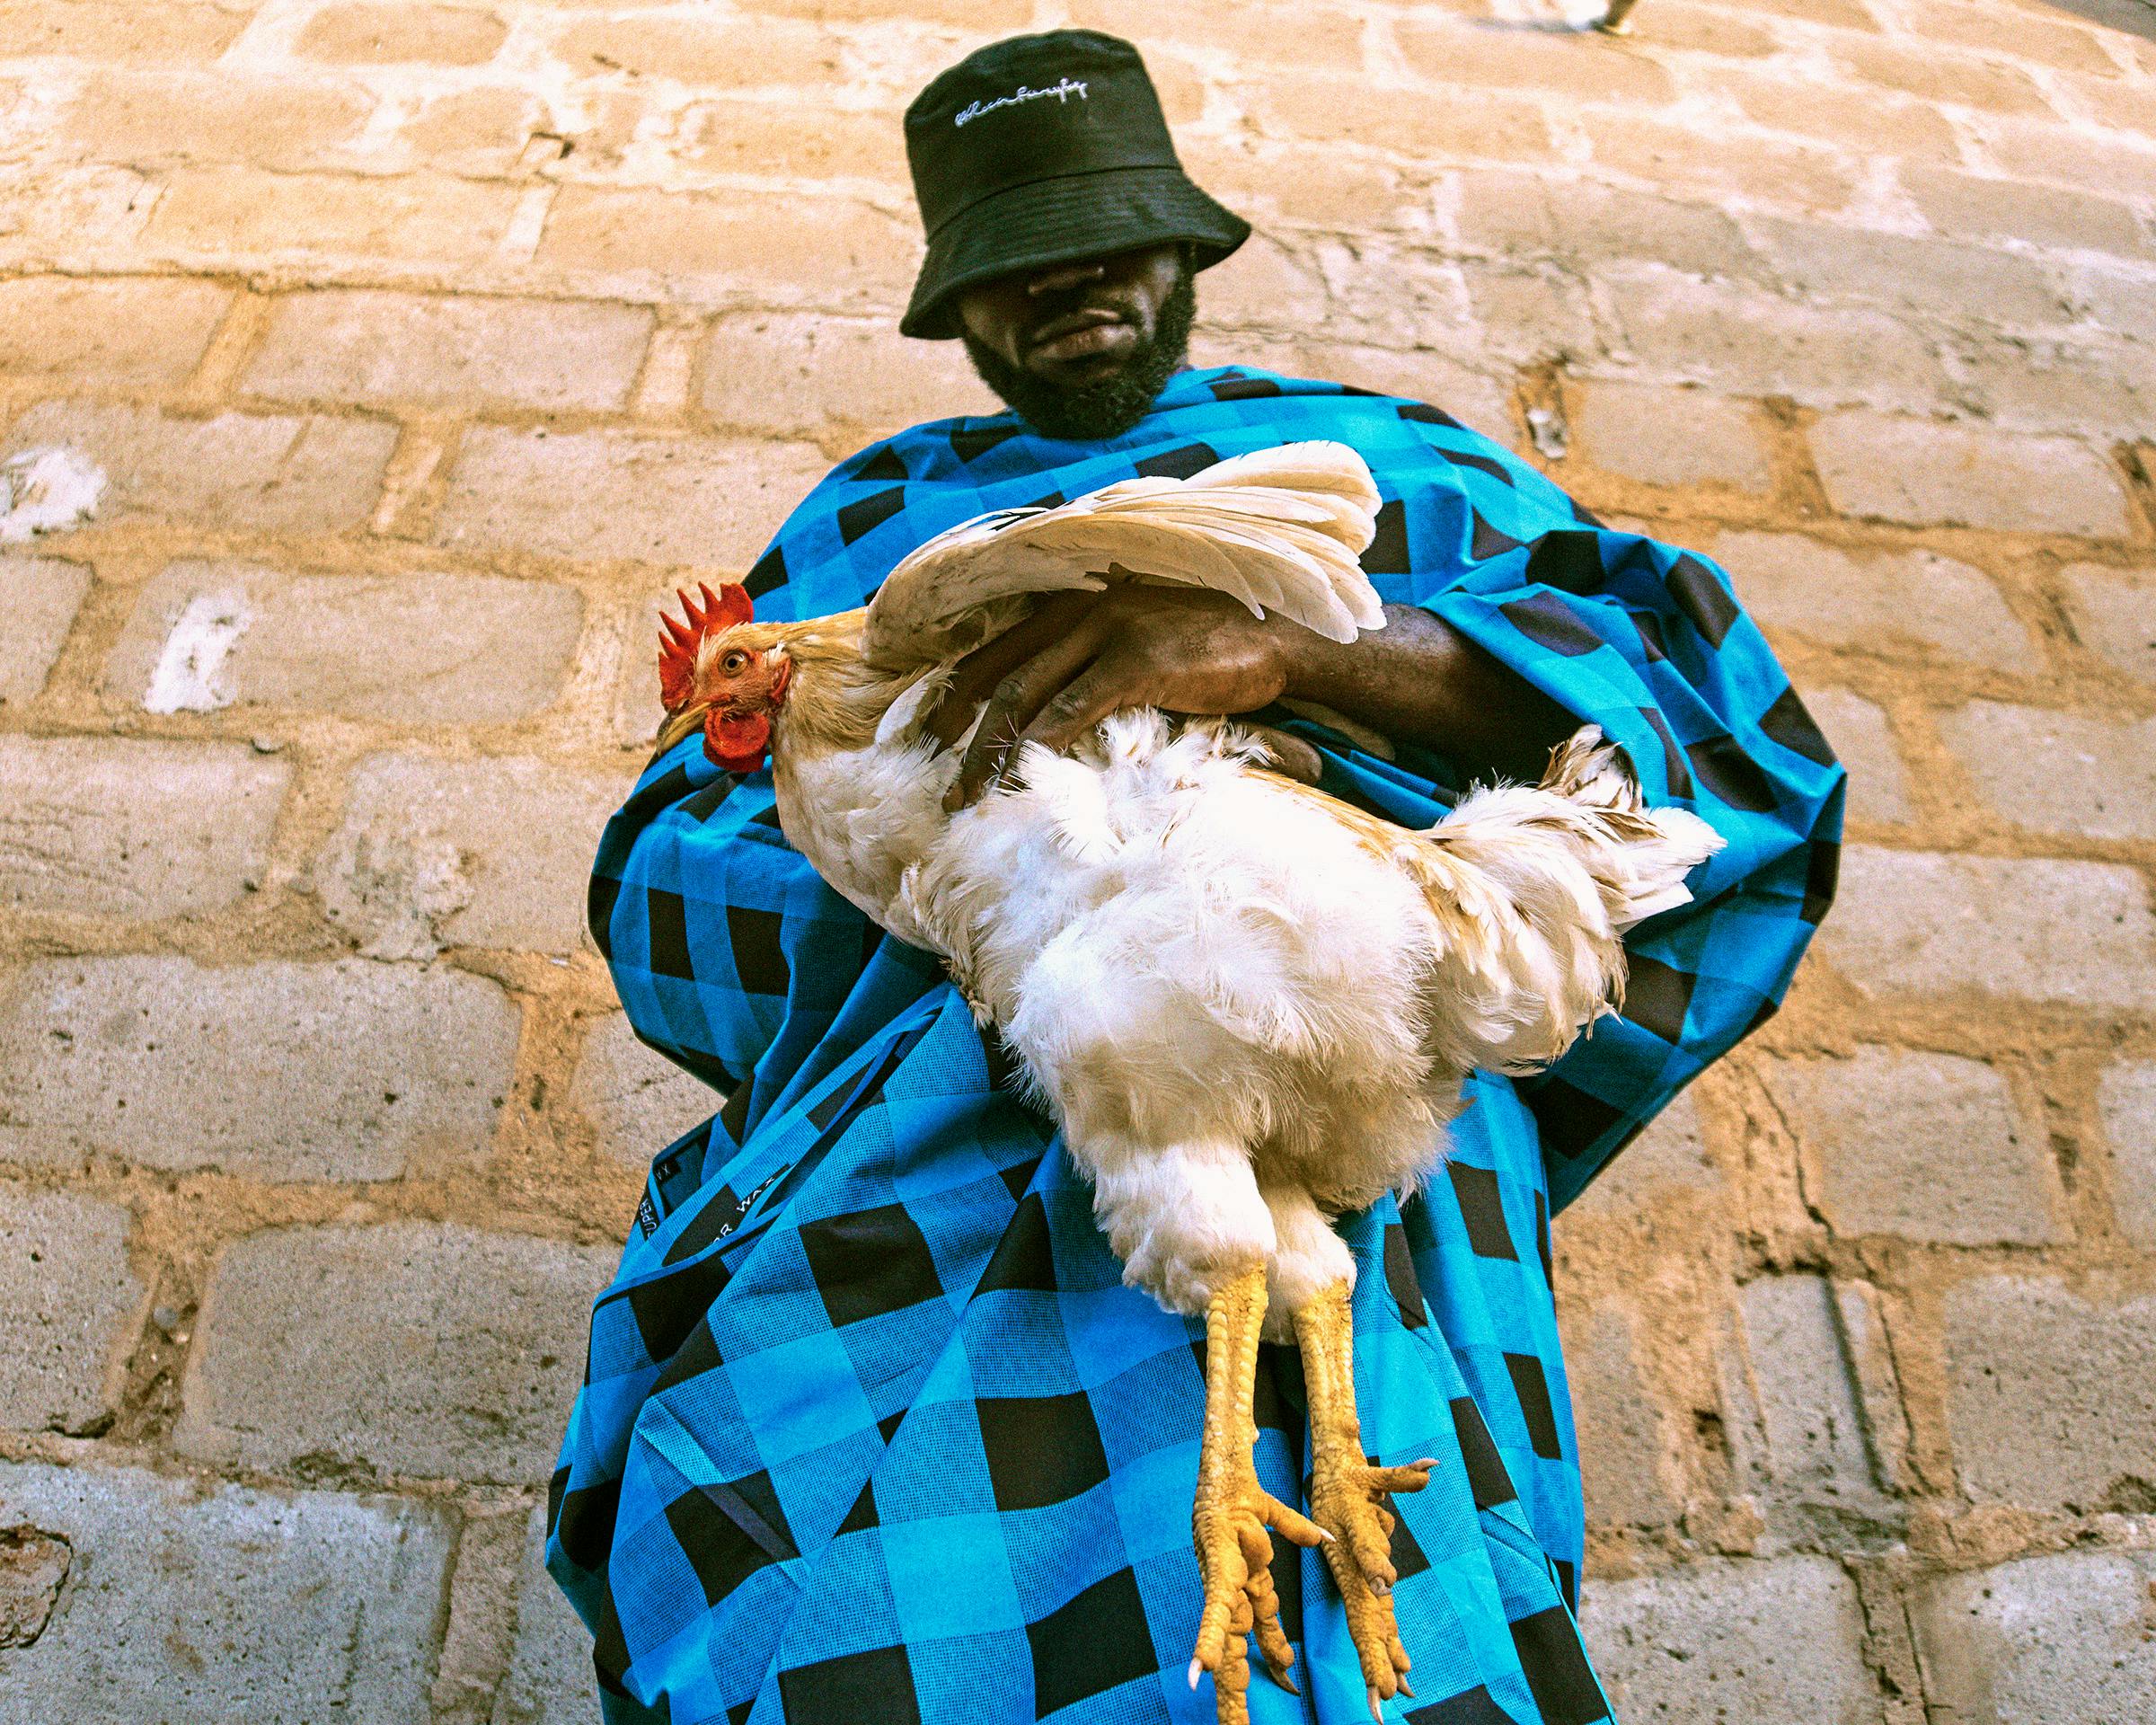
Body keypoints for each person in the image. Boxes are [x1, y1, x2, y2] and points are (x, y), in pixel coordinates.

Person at [548, 29, 1843, 1725]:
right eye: (1014, 264)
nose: (1069, 284)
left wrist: (1283, 657)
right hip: (914, 1171)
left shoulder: (1403, 464)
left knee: (1350, 1625)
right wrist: (1002, 889)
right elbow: (669, 869)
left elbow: (1697, 722)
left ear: (1189, 246)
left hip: (1330, 1106)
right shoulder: (876, 511)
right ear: (961, 309)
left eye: (1108, 235)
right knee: (831, 1626)